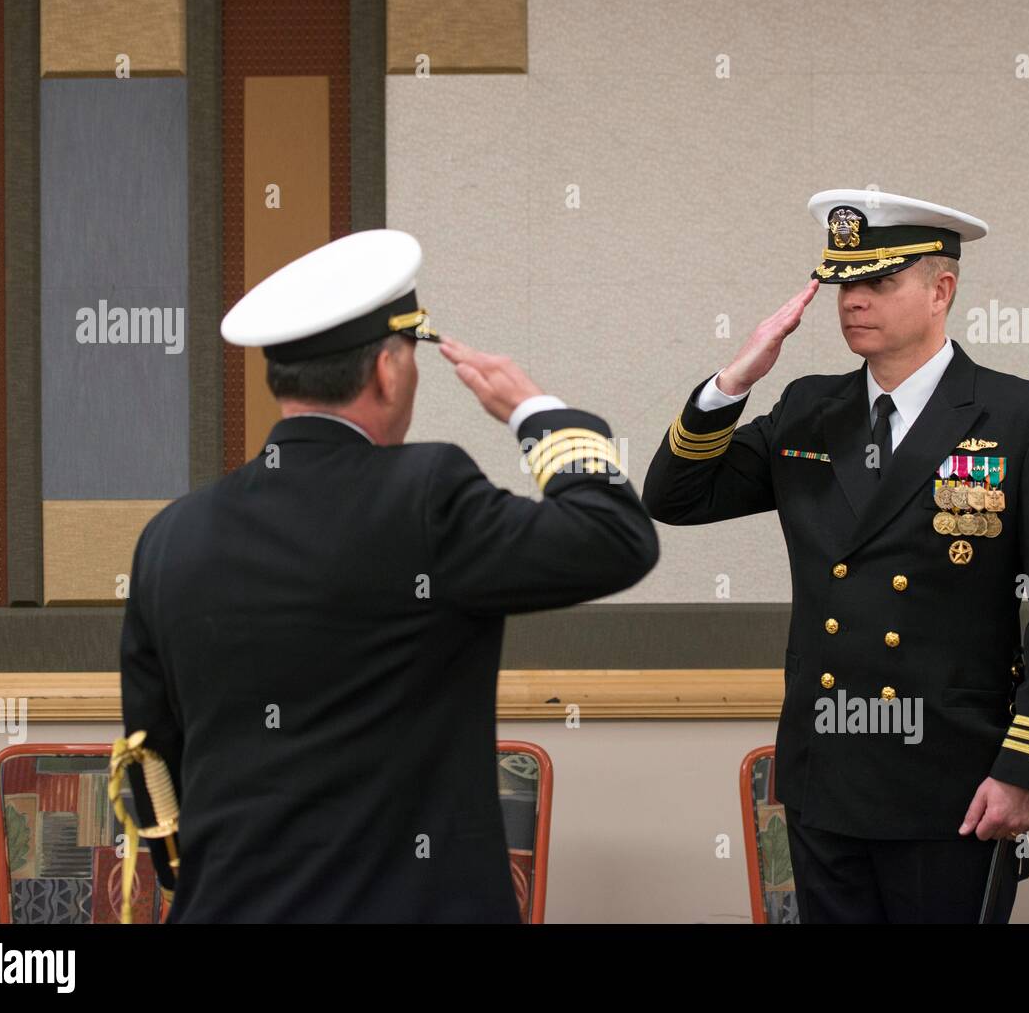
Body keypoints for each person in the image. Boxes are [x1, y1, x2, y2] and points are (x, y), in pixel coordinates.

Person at [120, 229, 658, 922]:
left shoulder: (170, 536)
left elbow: (151, 761)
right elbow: (617, 536)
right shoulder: (425, 493)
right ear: (388, 371)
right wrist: (538, 413)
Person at [642, 190, 1029, 923]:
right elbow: (675, 495)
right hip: (826, 769)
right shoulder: (807, 409)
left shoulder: (1023, 418)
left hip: (953, 778)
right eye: (843, 284)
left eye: (879, 282)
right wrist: (737, 378)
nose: (854, 301)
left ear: (941, 290)